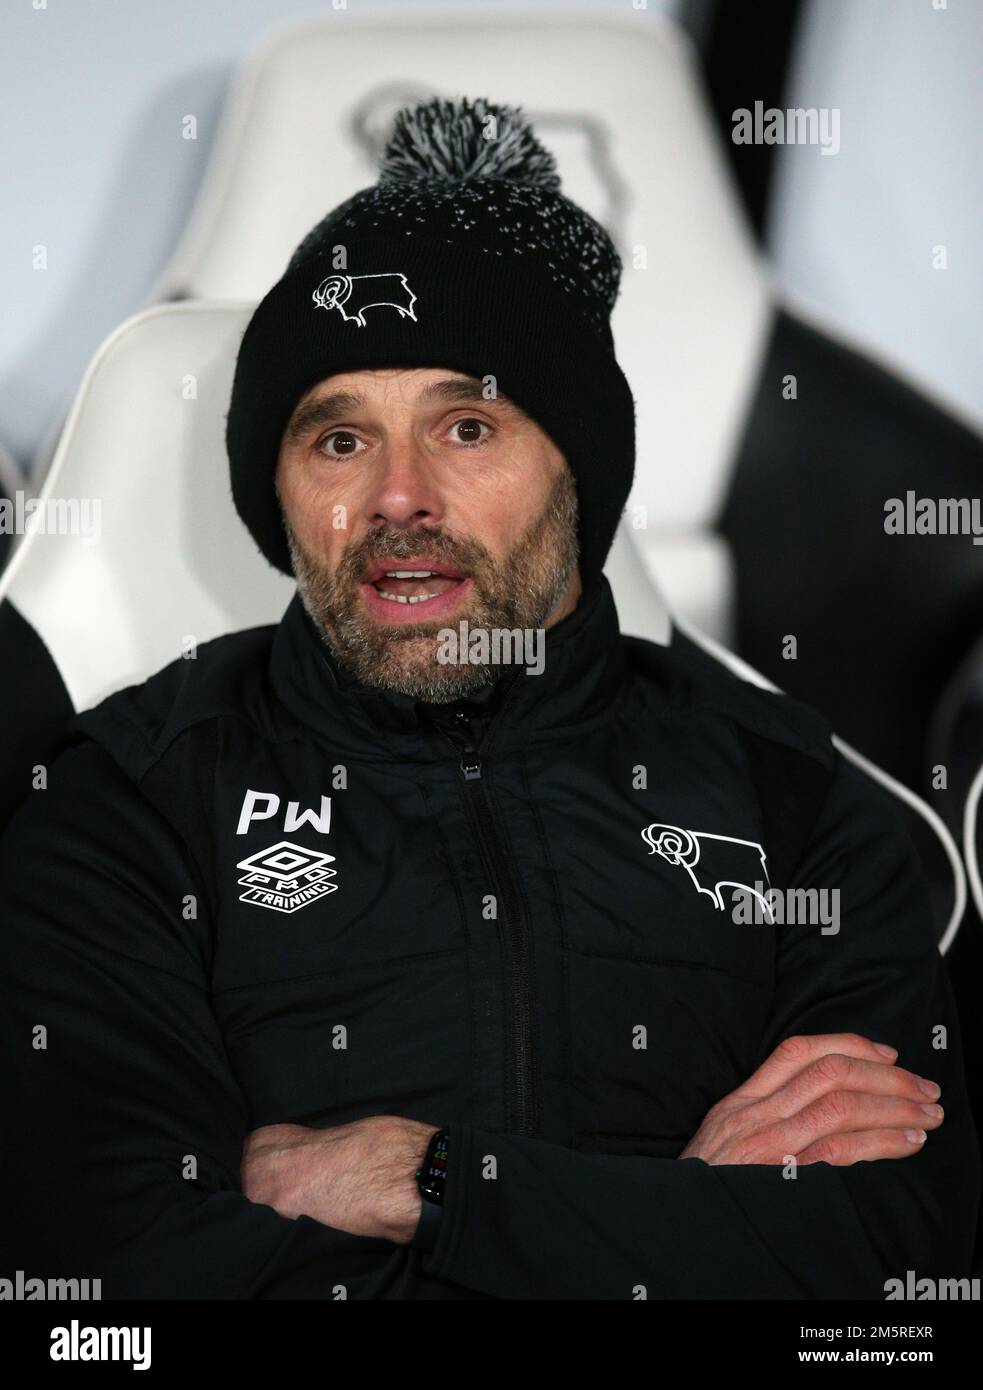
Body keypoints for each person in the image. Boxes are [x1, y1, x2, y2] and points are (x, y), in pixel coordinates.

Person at [0, 96, 978, 1300]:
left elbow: (893, 1282)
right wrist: (673, 1221)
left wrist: (432, 1180)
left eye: (466, 426)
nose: (397, 496)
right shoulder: (128, 801)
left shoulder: (798, 802)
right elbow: (119, 1295)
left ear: (578, 470)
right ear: (280, 494)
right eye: (337, 440)